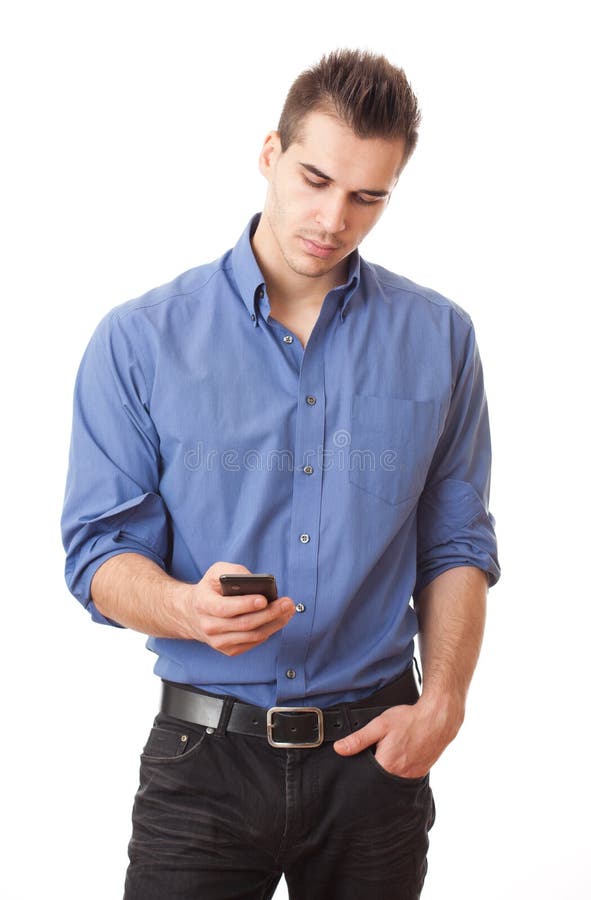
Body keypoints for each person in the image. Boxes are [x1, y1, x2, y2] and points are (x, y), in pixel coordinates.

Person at [61, 48, 500, 899]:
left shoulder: (439, 337)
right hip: (204, 765)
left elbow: (454, 541)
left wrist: (443, 701)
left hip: (376, 760)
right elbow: (97, 553)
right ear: (270, 153)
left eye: (367, 196)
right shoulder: (139, 340)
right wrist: (184, 608)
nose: (333, 218)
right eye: (314, 178)